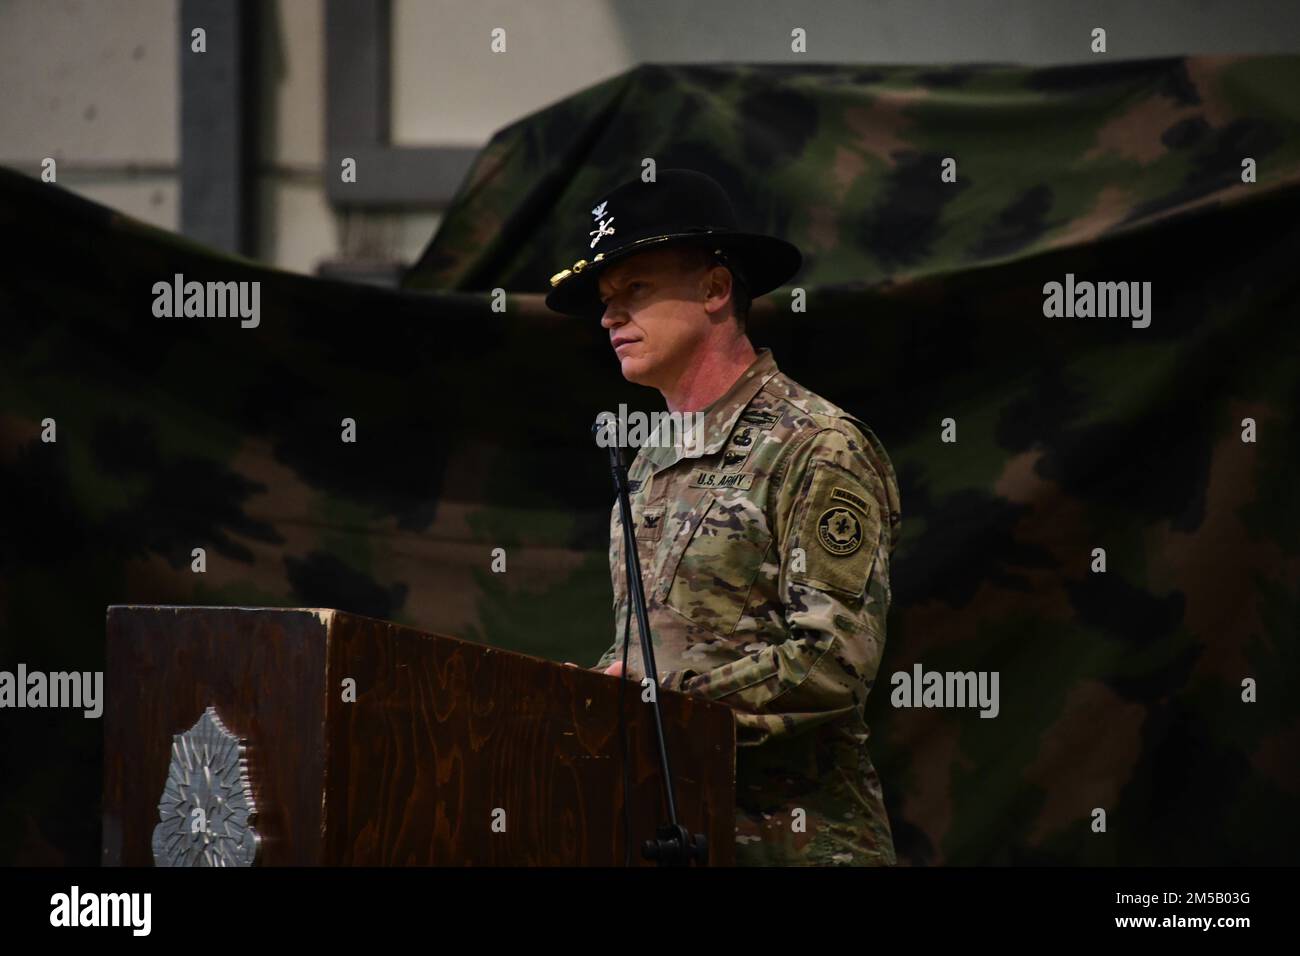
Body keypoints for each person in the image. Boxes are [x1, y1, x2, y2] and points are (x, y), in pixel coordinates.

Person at [547, 169, 901, 866]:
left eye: (635, 290)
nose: (609, 316)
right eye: (605, 300)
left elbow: (832, 661)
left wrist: (659, 707)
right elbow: (658, 653)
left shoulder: (815, 443)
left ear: (715, 289)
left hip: (796, 845)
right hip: (674, 834)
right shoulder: (649, 461)